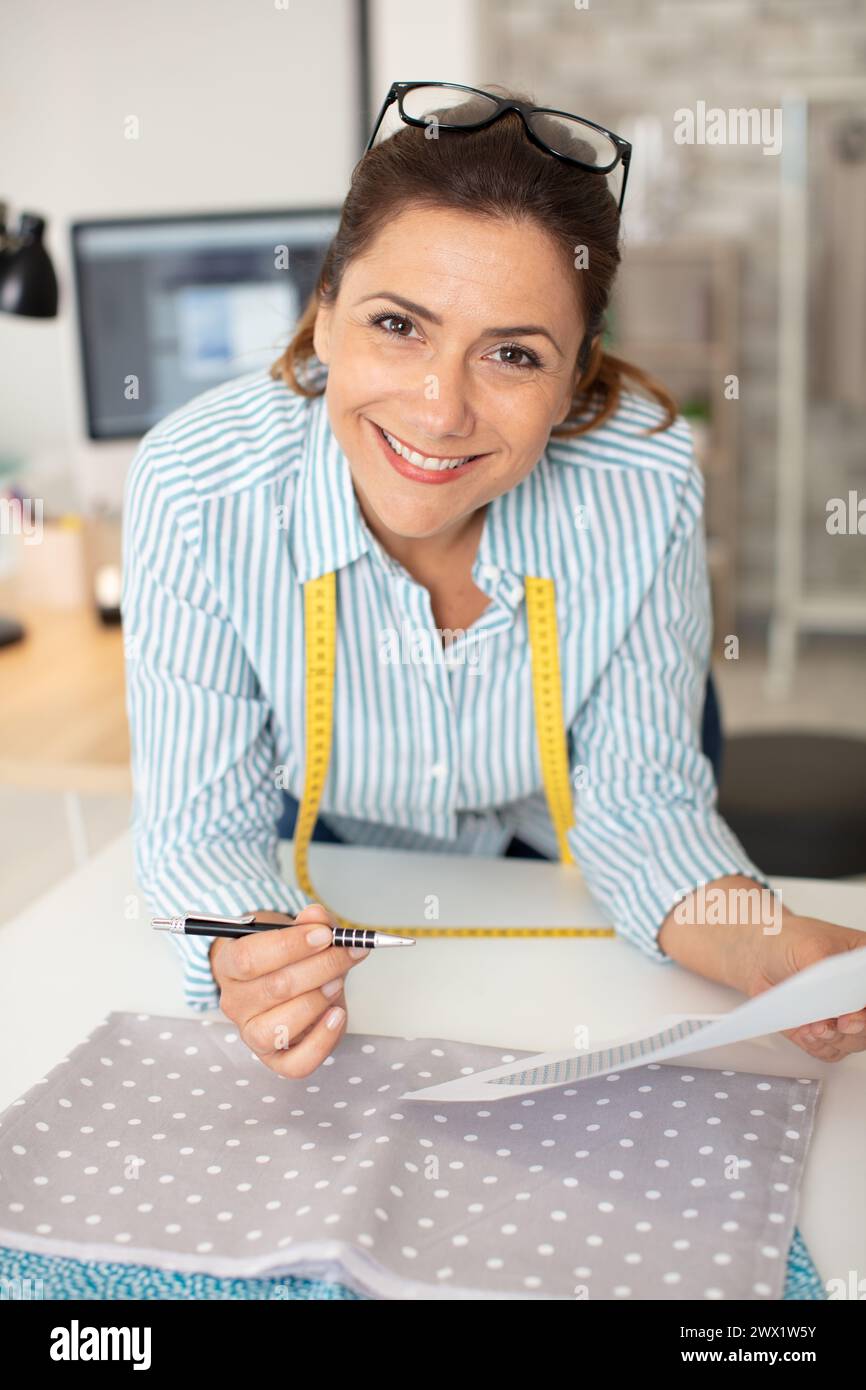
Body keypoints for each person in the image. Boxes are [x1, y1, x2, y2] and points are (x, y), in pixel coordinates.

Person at [121, 82, 865, 1079]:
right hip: (335, 850)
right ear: (325, 313)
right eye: (398, 325)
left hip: (558, 854)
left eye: (513, 354)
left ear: (574, 378)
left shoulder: (642, 484)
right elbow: (204, 827)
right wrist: (255, 950)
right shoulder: (197, 485)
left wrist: (766, 945)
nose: (440, 410)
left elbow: (641, 809)